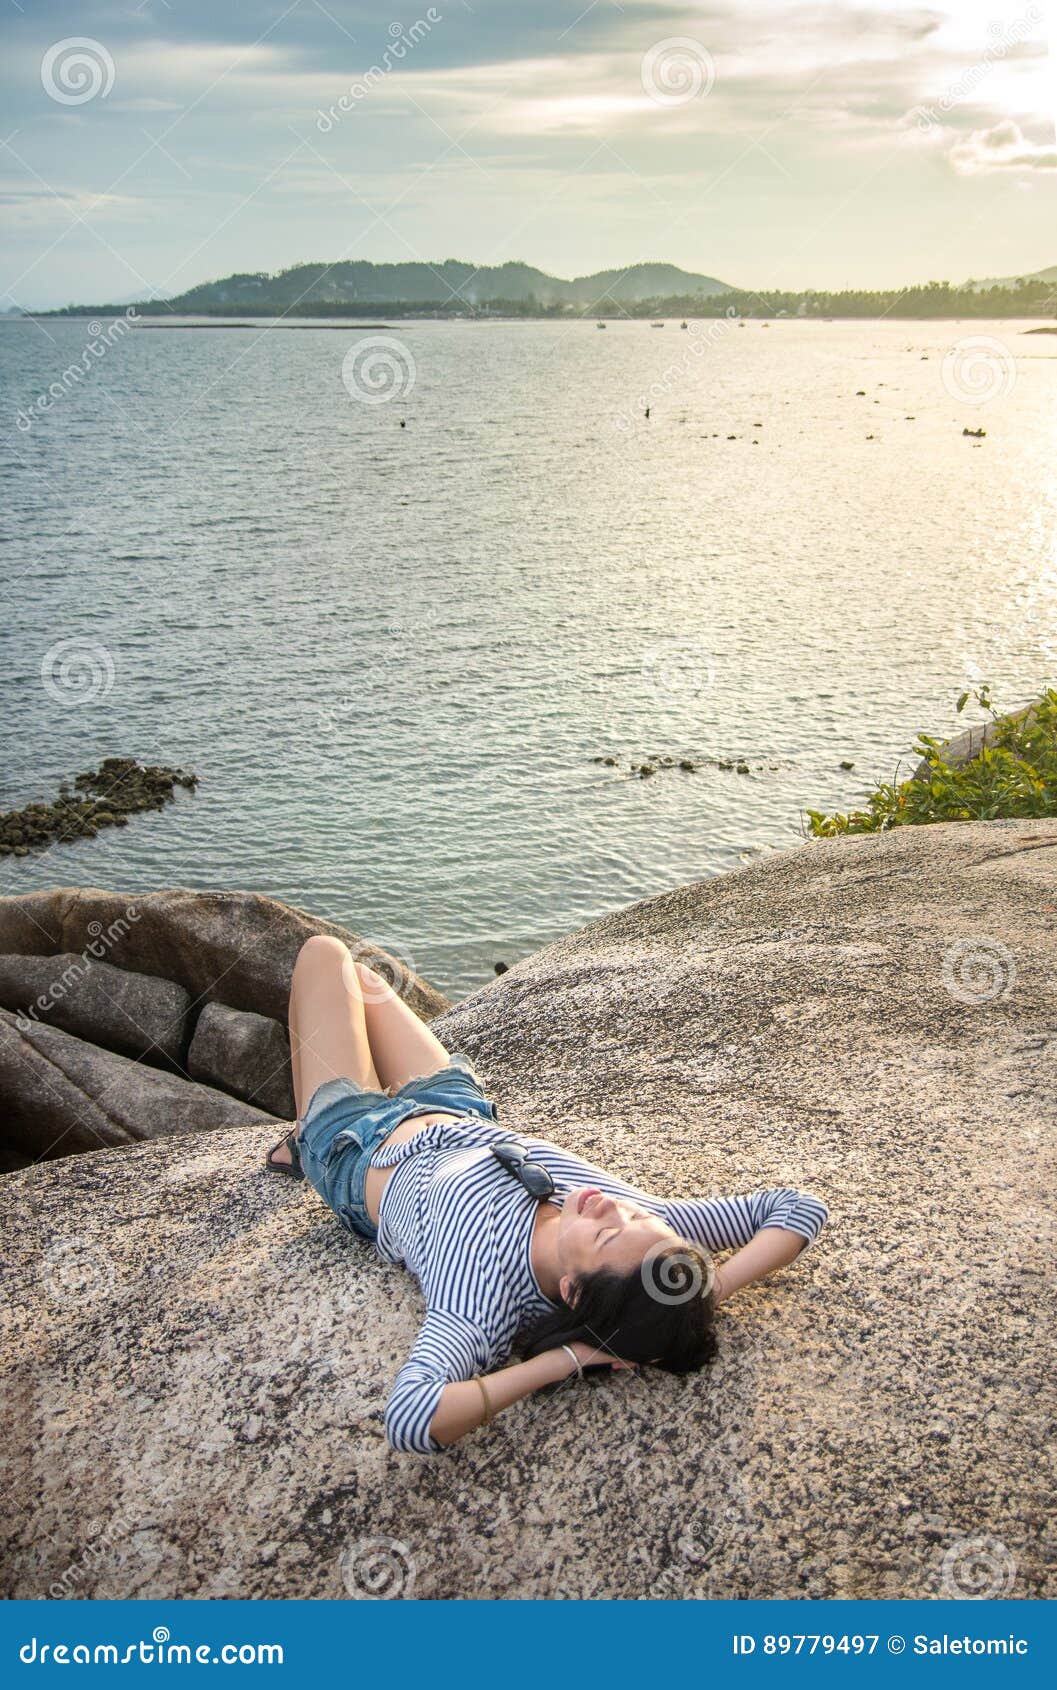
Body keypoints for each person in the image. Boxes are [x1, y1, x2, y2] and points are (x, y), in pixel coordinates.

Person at [266, 935, 829, 1454]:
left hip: (355, 1144)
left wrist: (565, 1360)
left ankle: (302, 1137)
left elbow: (412, 1419)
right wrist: (697, 1298)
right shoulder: (645, 1239)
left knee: (323, 955)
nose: (611, 1206)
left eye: (607, 1232)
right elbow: (799, 1208)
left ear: (572, 1293)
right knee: (365, 978)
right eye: (633, 1215)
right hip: (458, 1111)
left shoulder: (482, 1301)